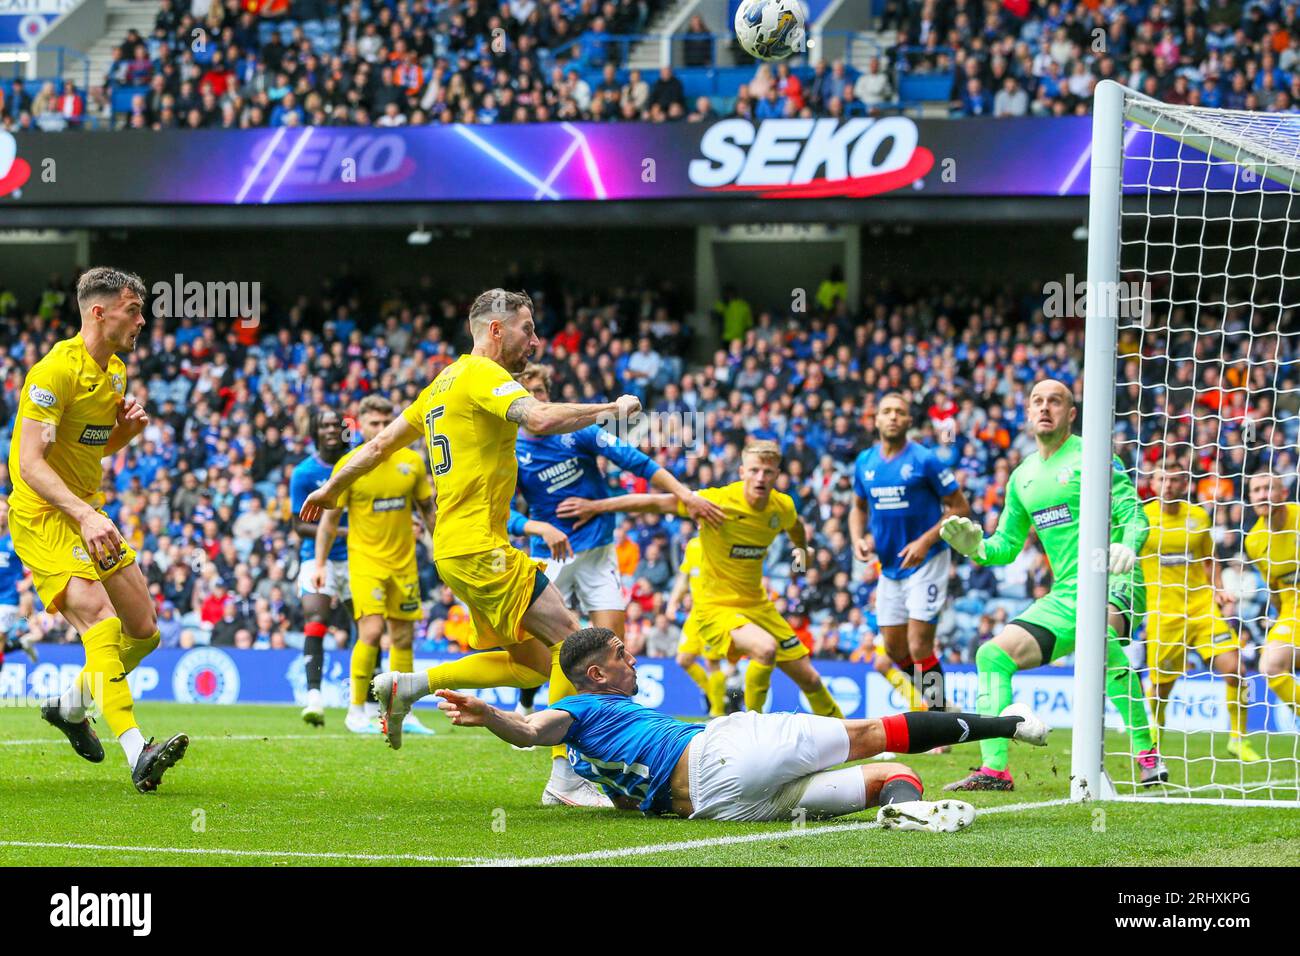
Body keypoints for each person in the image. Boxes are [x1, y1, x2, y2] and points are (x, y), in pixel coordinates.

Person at [303, 288, 640, 807]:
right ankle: (565, 780)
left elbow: (374, 447)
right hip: (481, 549)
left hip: (458, 551)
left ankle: (409, 685)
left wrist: (330, 488)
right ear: (497, 329)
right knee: (574, 644)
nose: (535, 339)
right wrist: (611, 407)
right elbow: (541, 419)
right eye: (527, 328)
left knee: (528, 664)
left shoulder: (441, 383)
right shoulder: (485, 375)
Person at [434, 627, 1049, 826]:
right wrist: (493, 714)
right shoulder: (582, 710)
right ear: (594, 674)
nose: (632, 659)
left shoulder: (589, 751)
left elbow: (543, 740)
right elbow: (532, 729)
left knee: (894, 775)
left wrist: (501, 718)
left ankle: (904, 811)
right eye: (621, 655)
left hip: (719, 807)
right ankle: (1008, 725)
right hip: (725, 752)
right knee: (871, 734)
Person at [10, 267, 187, 792]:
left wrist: (125, 433)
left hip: (88, 511)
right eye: (133, 309)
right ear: (99, 311)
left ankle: (69, 707)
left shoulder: (115, 374)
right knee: (103, 625)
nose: (142, 320)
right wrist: (83, 514)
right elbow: (30, 463)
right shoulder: (52, 373)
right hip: (45, 515)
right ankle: (138, 749)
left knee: (145, 631)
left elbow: (92, 446)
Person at [939, 379, 1162, 791]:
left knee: (1099, 640)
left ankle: (1147, 754)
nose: (1045, 408)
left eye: (1055, 401)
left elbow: (1134, 513)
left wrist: (1128, 545)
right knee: (991, 656)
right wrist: (975, 548)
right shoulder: (1022, 476)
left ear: (1071, 413)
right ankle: (995, 770)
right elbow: (1005, 546)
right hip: (1067, 593)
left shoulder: (1094, 457)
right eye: (1037, 401)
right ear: (1027, 413)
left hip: (1115, 576)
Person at [558, 439, 843, 718]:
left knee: (811, 680)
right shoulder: (716, 501)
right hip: (716, 608)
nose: (760, 477)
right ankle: (754, 726)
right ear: (742, 471)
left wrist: (801, 553)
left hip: (759, 606)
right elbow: (655, 503)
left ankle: (849, 737)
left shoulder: (782, 507)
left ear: (777, 475)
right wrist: (596, 507)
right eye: (754, 470)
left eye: (768, 472)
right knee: (764, 650)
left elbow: (795, 528)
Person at [505, 363, 722, 722]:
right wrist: (537, 527)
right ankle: (527, 703)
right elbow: (506, 513)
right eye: (527, 396)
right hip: (549, 555)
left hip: (597, 550)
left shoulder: (580, 432)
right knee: (543, 654)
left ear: (549, 395)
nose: (536, 400)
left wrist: (687, 495)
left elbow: (639, 463)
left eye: (540, 392)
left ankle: (608, 723)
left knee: (611, 645)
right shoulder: (510, 453)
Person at [313, 395, 436, 737]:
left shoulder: (411, 462)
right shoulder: (350, 465)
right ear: (360, 426)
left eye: (386, 423)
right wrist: (320, 563)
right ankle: (356, 710)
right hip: (366, 562)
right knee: (370, 632)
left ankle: (402, 712)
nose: (381, 429)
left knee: (404, 638)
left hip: (404, 563)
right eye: (374, 424)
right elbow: (328, 521)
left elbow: (427, 508)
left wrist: (439, 542)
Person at [850, 392, 971, 714]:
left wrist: (925, 541)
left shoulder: (925, 459)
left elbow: (960, 507)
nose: (892, 416)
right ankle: (942, 705)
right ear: (876, 419)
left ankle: (939, 720)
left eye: (899, 412)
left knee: (919, 645)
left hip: (927, 561)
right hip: (889, 566)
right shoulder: (865, 462)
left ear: (908, 421)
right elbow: (858, 508)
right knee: (893, 647)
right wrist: (857, 538)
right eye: (886, 411)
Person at [1140, 459, 1258, 761]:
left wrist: (1218, 588)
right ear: (1153, 484)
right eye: (1162, 479)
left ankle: (1238, 740)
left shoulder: (1198, 517)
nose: (1169, 485)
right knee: (1161, 688)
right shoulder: (1141, 518)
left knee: (1236, 669)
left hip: (1201, 606)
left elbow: (1209, 558)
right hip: (1163, 612)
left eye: (1176, 480)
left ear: (1185, 484)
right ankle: (1155, 739)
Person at [290, 407, 352, 726]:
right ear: (315, 432)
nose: (330, 430)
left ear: (344, 430)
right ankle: (314, 696)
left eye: (335, 425)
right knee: (316, 619)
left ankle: (366, 701)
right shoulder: (303, 473)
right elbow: (299, 526)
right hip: (317, 557)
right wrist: (340, 532)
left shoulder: (359, 462)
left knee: (367, 626)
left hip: (358, 555)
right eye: (324, 425)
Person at [1243, 471, 1300, 721]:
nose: (1262, 495)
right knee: (1270, 665)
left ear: (1284, 493)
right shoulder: (1254, 541)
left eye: (1269, 488)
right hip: (1293, 610)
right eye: (1256, 490)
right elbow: (1274, 586)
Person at [666, 536, 729, 717]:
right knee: (683, 659)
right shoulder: (693, 545)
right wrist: (673, 602)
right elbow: (683, 578)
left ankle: (717, 712)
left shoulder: (724, 544)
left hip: (716, 611)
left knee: (712, 662)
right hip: (696, 612)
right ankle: (715, 696)